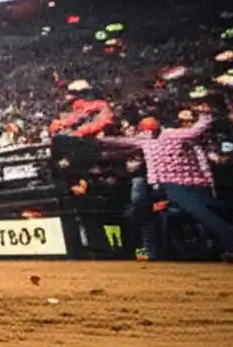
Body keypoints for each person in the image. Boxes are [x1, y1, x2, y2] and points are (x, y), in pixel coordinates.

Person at [99, 107, 233, 260]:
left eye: (150, 128)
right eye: (145, 129)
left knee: (208, 214)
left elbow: (195, 131)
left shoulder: (173, 134)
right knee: (142, 209)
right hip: (165, 185)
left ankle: (225, 245)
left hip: (189, 183)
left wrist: (205, 115)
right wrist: (92, 141)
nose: (147, 132)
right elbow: (119, 142)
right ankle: (153, 251)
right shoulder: (144, 141)